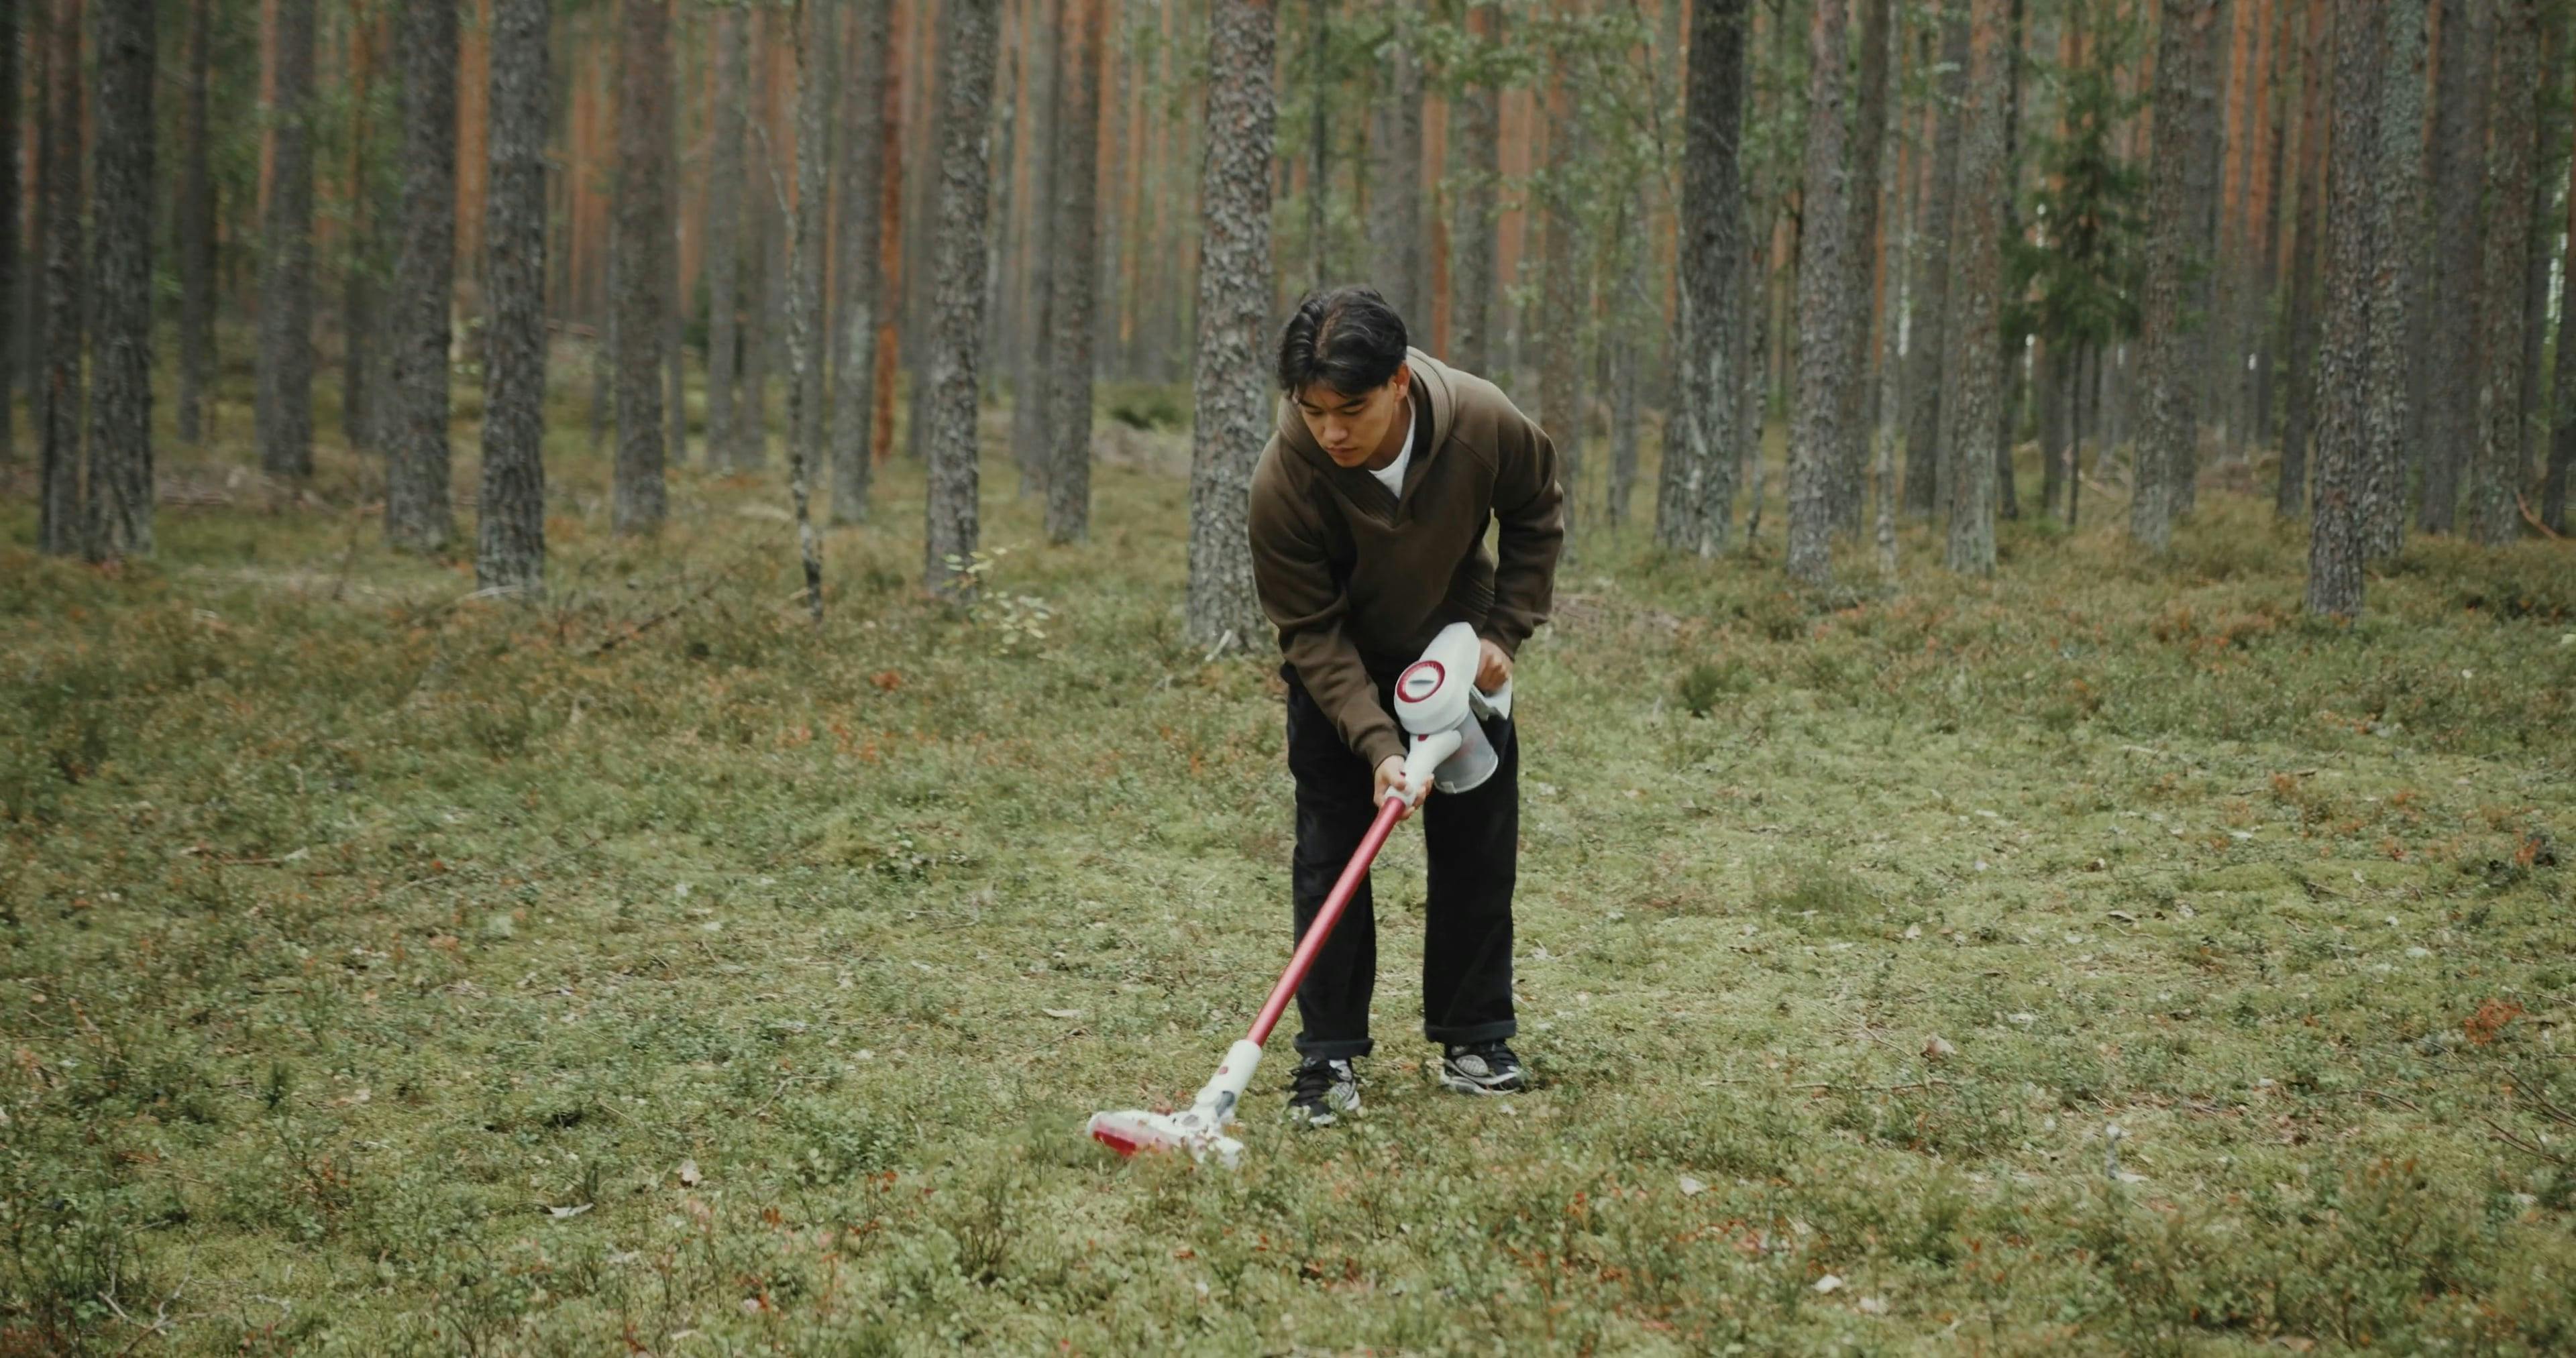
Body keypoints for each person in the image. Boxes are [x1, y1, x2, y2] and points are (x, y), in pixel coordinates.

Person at [1246, 286, 1565, 1127]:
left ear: (1398, 382)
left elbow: (1537, 510)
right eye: (1312, 411)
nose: (1333, 432)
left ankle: (1474, 1038)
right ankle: (1328, 1059)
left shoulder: (1482, 422)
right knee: (1332, 857)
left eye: (1350, 409)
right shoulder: (1285, 480)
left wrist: (1504, 630)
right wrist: (1380, 746)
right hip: (1339, 669)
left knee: (1476, 847)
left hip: (1455, 660)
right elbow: (1309, 632)